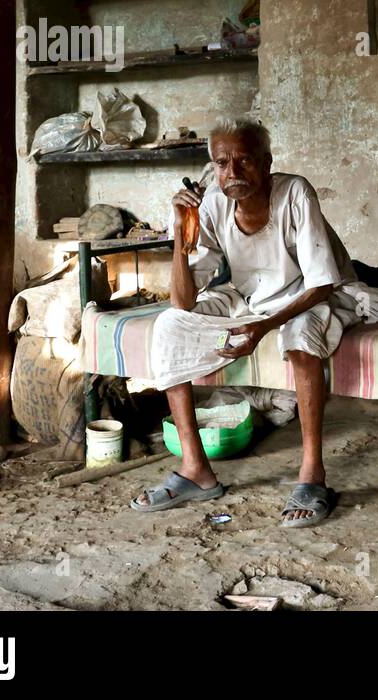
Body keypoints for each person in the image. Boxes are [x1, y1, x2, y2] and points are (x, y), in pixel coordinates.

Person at [131, 117, 363, 527]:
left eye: (244, 161)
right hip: (250, 299)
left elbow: (323, 284)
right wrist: (181, 234)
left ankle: (312, 474)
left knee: (299, 337)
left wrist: (264, 328)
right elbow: (183, 301)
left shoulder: (294, 193)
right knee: (169, 327)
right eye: (222, 163)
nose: (232, 173)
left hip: (308, 296)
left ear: (266, 162)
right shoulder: (214, 205)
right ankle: (195, 469)